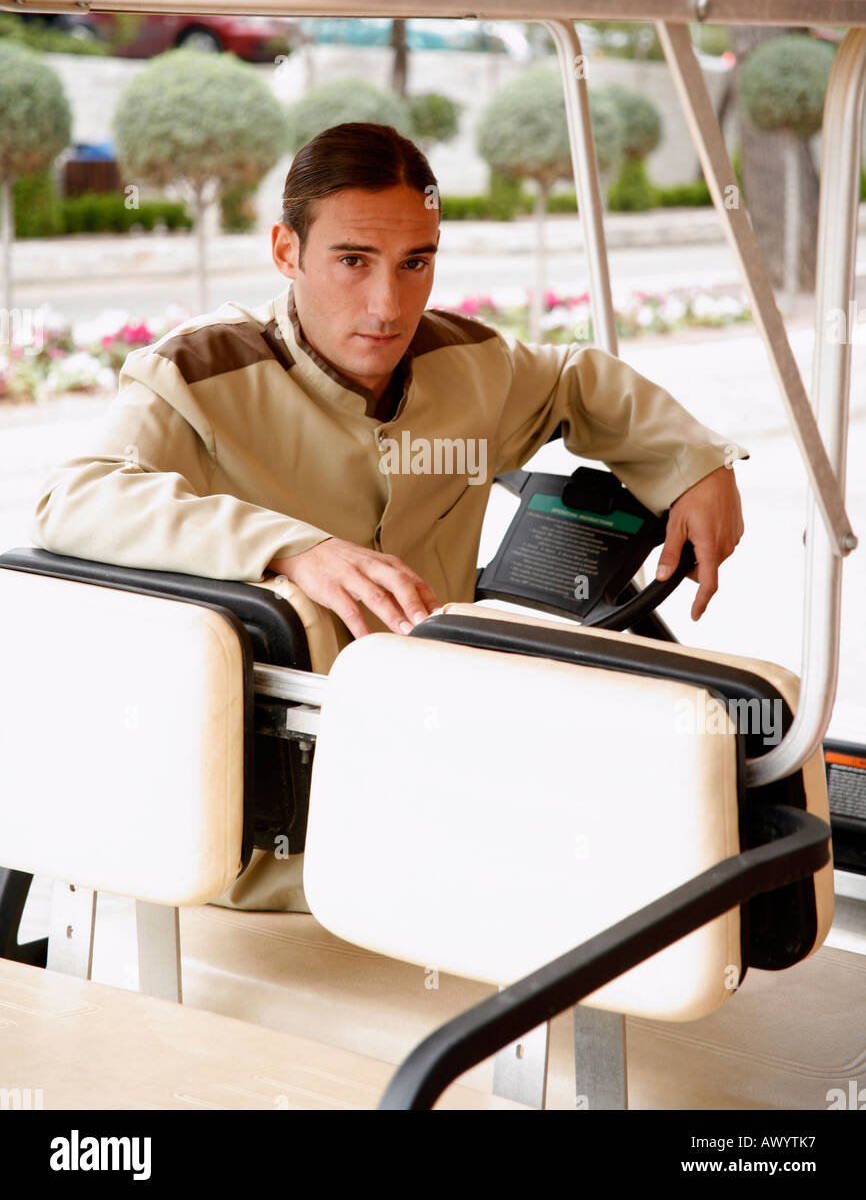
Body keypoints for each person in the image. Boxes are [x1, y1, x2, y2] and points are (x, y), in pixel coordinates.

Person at [31, 120, 747, 911]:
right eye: (352, 261)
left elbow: (579, 380)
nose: (387, 304)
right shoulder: (197, 373)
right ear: (284, 252)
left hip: (442, 773)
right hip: (259, 832)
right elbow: (77, 496)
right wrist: (292, 548)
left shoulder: (473, 365)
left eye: (416, 263)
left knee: (688, 787)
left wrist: (695, 463)